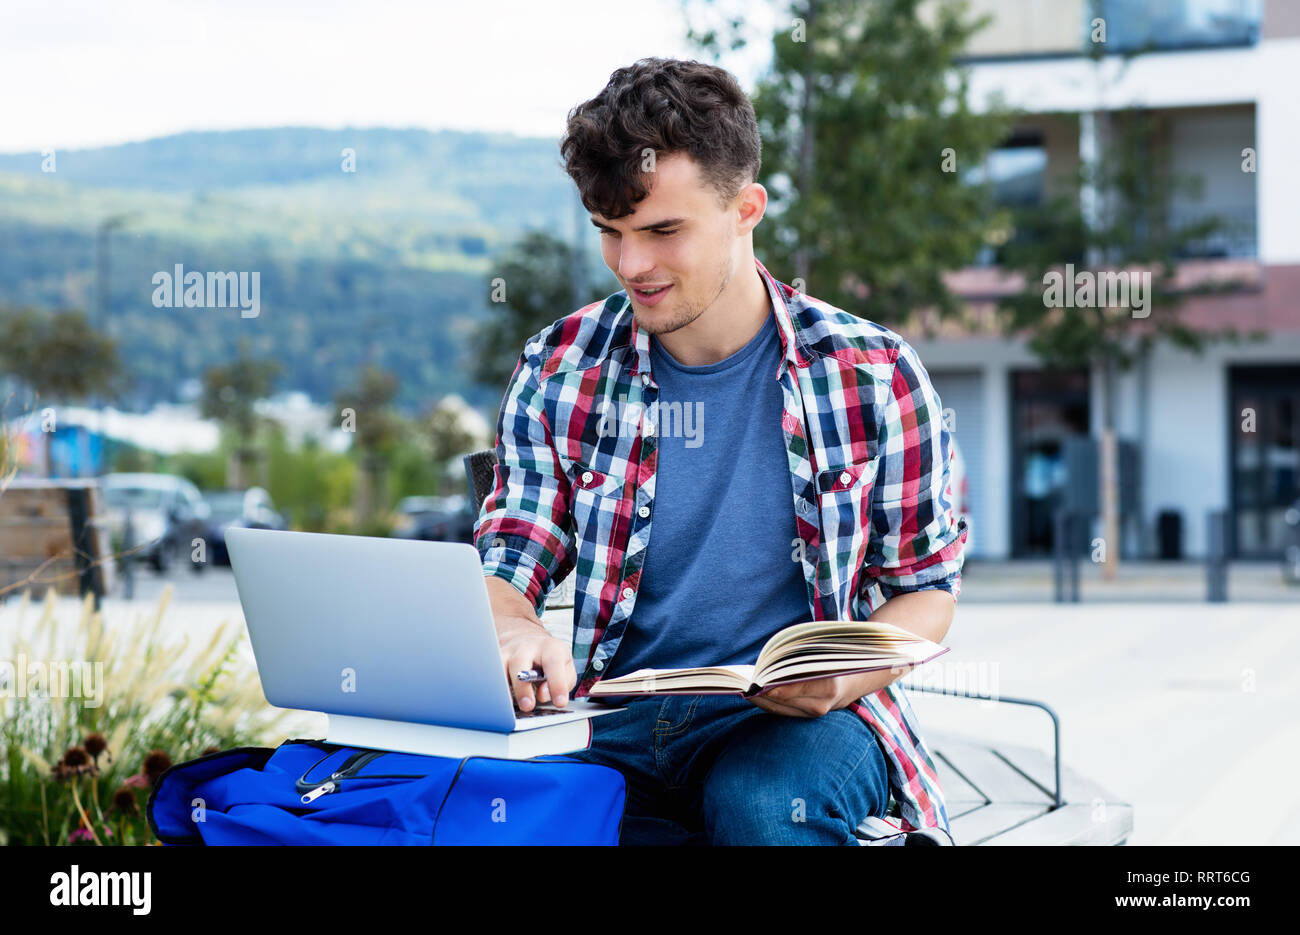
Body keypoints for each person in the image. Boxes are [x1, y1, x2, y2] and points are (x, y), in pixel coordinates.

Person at [474, 57, 968, 845]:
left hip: (796, 729)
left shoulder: (871, 374)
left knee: (765, 810)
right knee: (489, 812)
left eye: (663, 230)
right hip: (610, 715)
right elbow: (509, 561)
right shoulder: (563, 364)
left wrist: (842, 677)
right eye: (610, 233)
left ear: (746, 209)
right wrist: (513, 629)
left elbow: (927, 591)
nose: (633, 265)